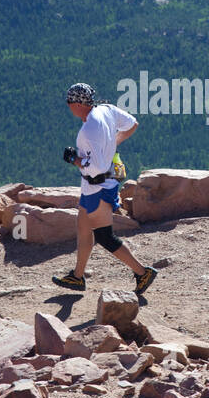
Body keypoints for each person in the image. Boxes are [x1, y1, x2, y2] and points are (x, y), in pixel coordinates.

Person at [52, 83, 157, 295]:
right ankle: (77, 277)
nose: (68, 106)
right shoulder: (106, 109)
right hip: (104, 180)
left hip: (98, 186)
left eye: (70, 102)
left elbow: (96, 166)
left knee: (104, 237)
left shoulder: (88, 131)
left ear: (79, 104)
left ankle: (142, 272)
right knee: (83, 226)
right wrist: (113, 143)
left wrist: (75, 160)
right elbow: (132, 124)